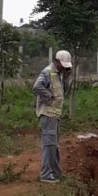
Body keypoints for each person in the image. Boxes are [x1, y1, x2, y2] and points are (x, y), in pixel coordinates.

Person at [32, 49, 72, 183]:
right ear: (57, 61)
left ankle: (55, 172)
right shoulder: (47, 72)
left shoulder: (59, 74)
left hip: (55, 115)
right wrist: (49, 96)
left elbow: (63, 90)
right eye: (63, 65)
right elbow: (37, 87)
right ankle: (46, 174)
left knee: (53, 145)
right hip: (48, 114)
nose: (64, 68)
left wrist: (66, 78)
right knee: (49, 145)